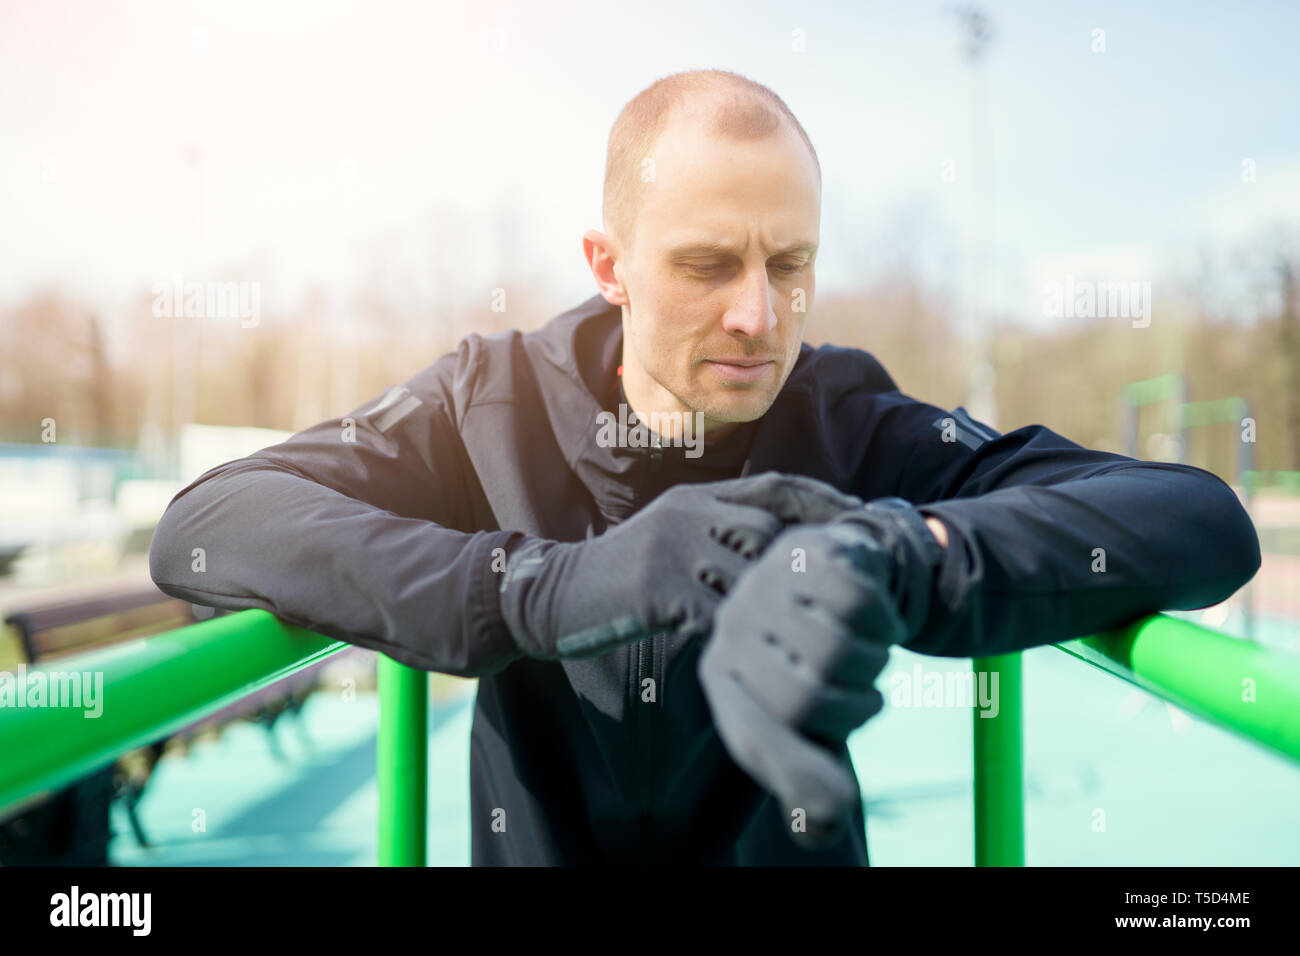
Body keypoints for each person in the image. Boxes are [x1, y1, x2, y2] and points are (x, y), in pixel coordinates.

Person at [148, 69, 1261, 865]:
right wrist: (547, 588)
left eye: (790, 263)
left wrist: (897, 553)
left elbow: (1194, 516)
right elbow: (210, 520)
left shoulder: (848, 417)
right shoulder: (492, 403)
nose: (758, 313)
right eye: (707, 264)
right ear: (609, 264)